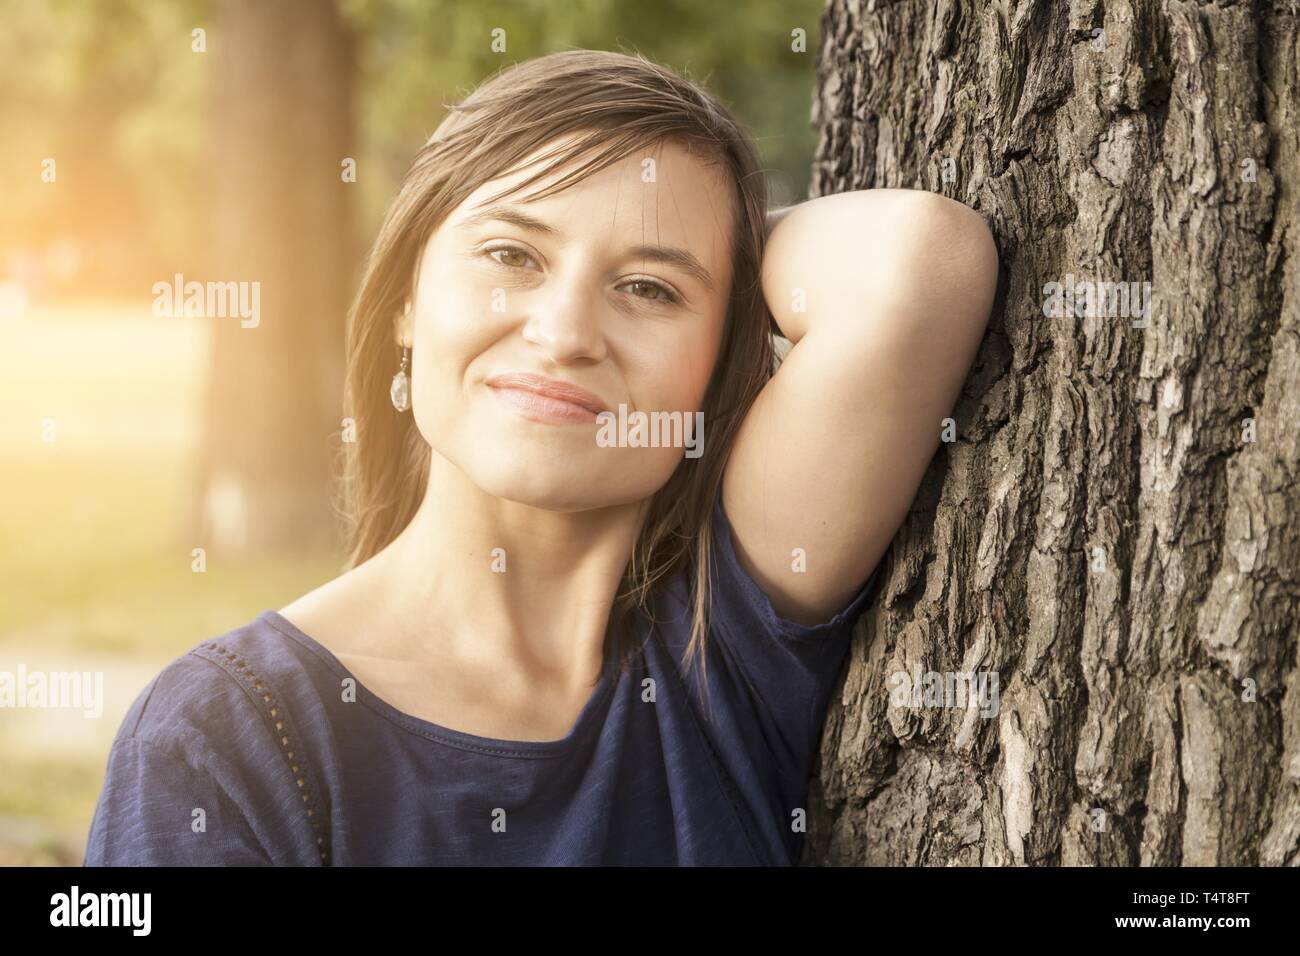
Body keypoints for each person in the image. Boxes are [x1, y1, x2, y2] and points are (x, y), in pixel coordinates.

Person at [83, 48, 997, 866]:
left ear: (720, 358)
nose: (564, 335)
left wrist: (717, 224)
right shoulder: (225, 737)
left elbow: (920, 264)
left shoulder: (722, 643)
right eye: (512, 254)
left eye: (648, 288)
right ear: (408, 297)